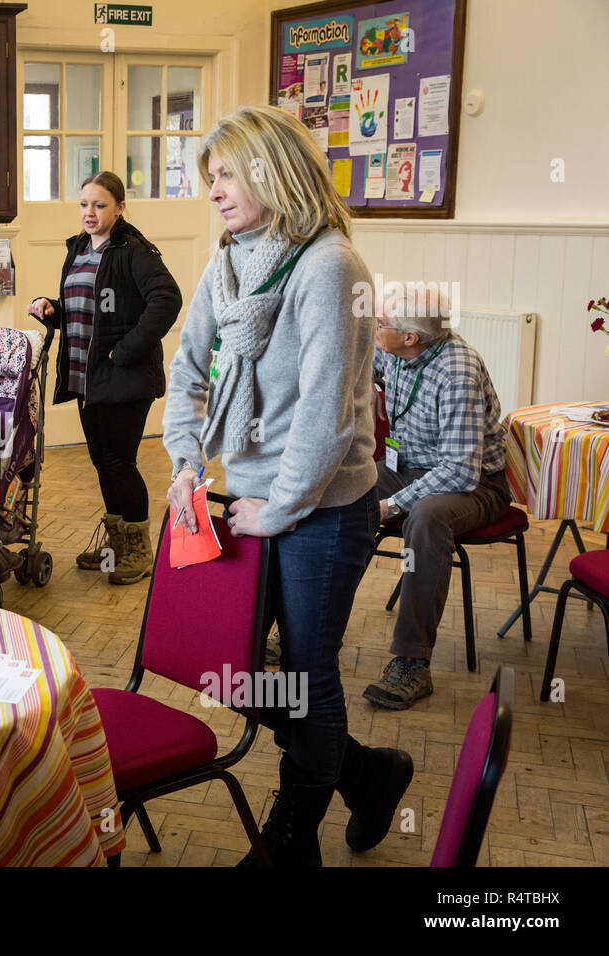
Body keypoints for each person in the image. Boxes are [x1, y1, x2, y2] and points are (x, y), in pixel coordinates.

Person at [163, 105, 413, 866]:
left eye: (227, 173)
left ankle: (291, 838)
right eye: (210, 178)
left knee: (308, 673)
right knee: (237, 669)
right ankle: (368, 772)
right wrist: (183, 459)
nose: (214, 191)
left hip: (325, 510)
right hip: (252, 498)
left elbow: (329, 410)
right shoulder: (231, 259)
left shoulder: (330, 265)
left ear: (274, 168)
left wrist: (284, 507)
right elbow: (187, 367)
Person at [28, 171, 182, 586]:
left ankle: (138, 549)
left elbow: (167, 299)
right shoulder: (78, 248)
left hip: (124, 377)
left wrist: (128, 348)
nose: (90, 213)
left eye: (99, 205)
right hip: (85, 376)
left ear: (119, 208)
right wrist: (53, 309)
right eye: (84, 205)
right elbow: (86, 307)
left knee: (120, 463)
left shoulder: (132, 249)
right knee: (103, 463)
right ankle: (116, 548)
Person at [364, 283, 509, 710]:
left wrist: (390, 506)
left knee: (424, 519)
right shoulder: (393, 348)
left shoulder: (456, 371)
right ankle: (304, 631)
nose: (374, 326)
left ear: (411, 337)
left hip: (475, 484)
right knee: (343, 490)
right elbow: (358, 360)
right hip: (406, 468)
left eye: (381, 323)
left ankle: (412, 663)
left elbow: (459, 471)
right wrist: (364, 386)